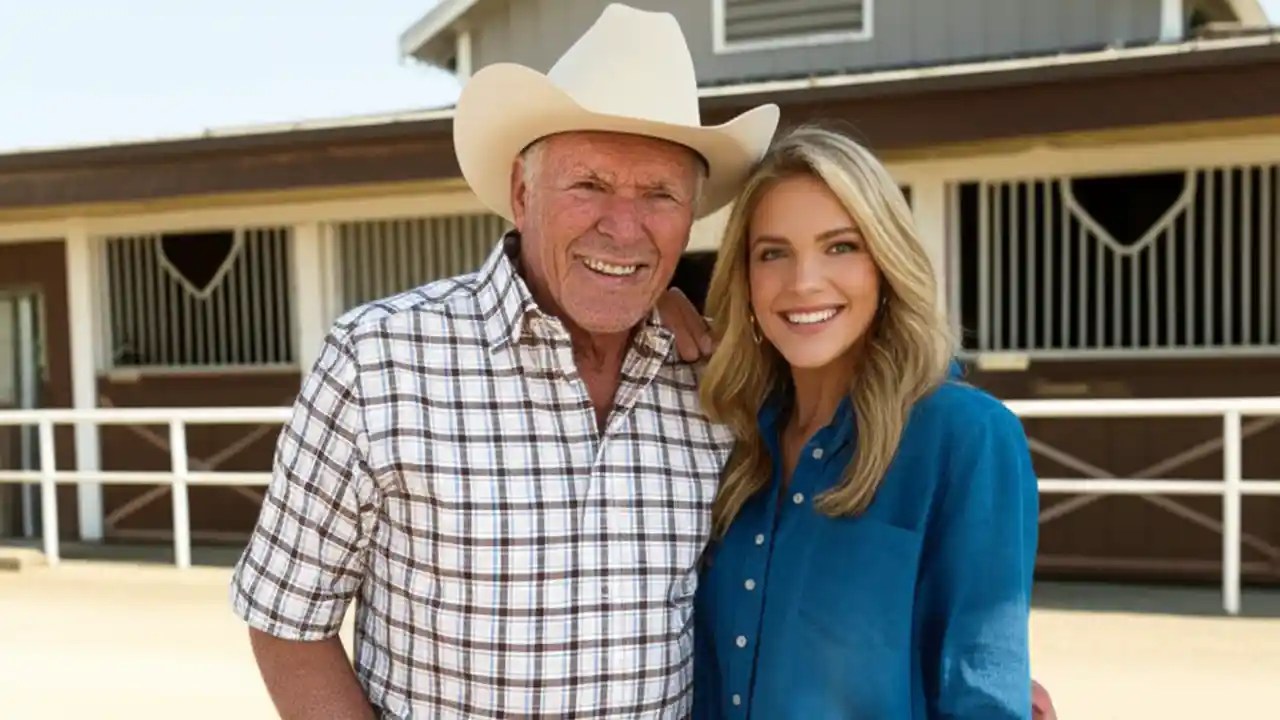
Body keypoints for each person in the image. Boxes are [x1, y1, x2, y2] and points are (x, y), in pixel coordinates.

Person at [226, 4, 779, 718]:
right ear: (522, 193)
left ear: (692, 215)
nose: (623, 226)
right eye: (589, 185)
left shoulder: (715, 386)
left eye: (659, 194)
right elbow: (286, 618)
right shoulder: (379, 361)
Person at [678, 125, 1041, 718]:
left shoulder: (965, 437)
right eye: (774, 253)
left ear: (885, 263)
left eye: (840, 246)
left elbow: (983, 692)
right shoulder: (734, 441)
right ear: (745, 280)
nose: (804, 283)